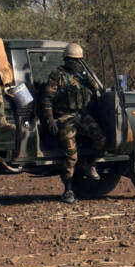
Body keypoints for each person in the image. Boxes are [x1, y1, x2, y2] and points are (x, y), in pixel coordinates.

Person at [41, 43, 107, 204]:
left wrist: (87, 76)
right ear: (66, 60)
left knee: (102, 139)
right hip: (64, 117)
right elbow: (47, 99)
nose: (76, 63)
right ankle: (68, 190)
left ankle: (89, 164)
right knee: (71, 156)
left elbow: (97, 89)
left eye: (79, 60)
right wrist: (50, 119)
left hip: (80, 116)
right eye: (73, 60)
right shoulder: (57, 75)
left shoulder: (81, 76)